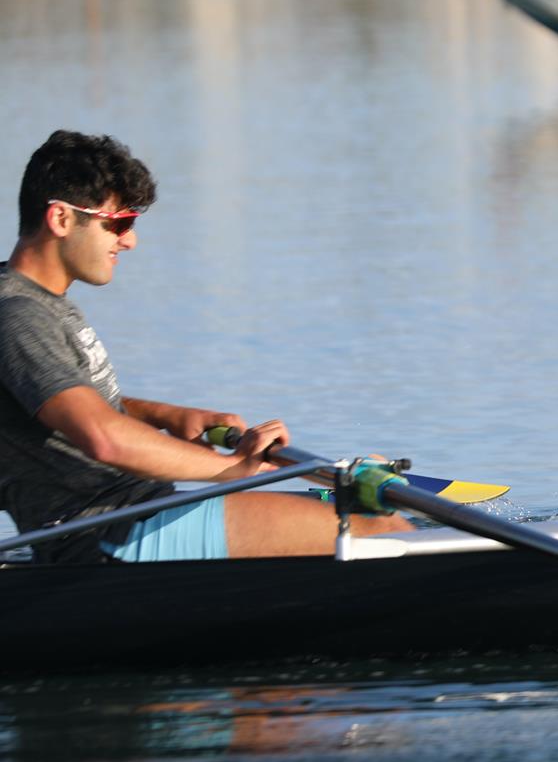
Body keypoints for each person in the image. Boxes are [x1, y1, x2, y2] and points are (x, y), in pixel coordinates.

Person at [0, 131, 411, 563]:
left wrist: (166, 415)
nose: (130, 241)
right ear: (61, 219)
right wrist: (234, 469)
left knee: (375, 516)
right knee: (383, 532)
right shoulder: (20, 316)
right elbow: (104, 438)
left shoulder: (33, 302)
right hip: (107, 531)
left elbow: (56, 403)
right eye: (118, 223)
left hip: (135, 511)